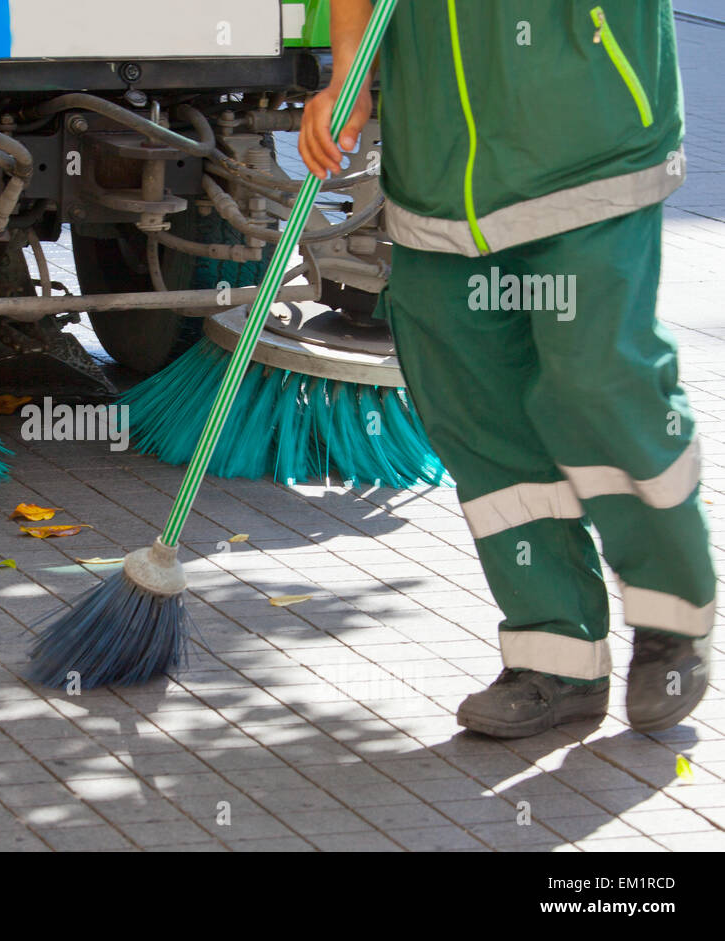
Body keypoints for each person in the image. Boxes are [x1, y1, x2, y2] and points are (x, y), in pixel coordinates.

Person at [299, 0, 713, 737]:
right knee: (473, 406)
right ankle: (555, 654)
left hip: (589, 126)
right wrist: (350, 72)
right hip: (439, 162)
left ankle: (670, 616)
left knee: (599, 379)